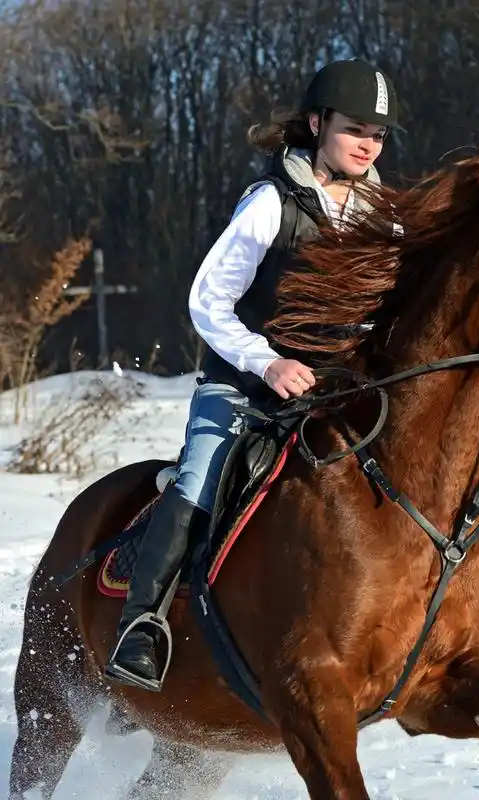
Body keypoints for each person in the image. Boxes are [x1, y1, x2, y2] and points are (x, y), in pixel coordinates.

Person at [105, 58, 404, 691]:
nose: (367, 144)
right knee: (201, 474)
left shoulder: (386, 216)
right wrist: (266, 361)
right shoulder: (271, 203)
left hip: (335, 394)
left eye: (377, 135)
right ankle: (144, 625)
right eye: (356, 129)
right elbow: (207, 302)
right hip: (243, 387)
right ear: (319, 124)